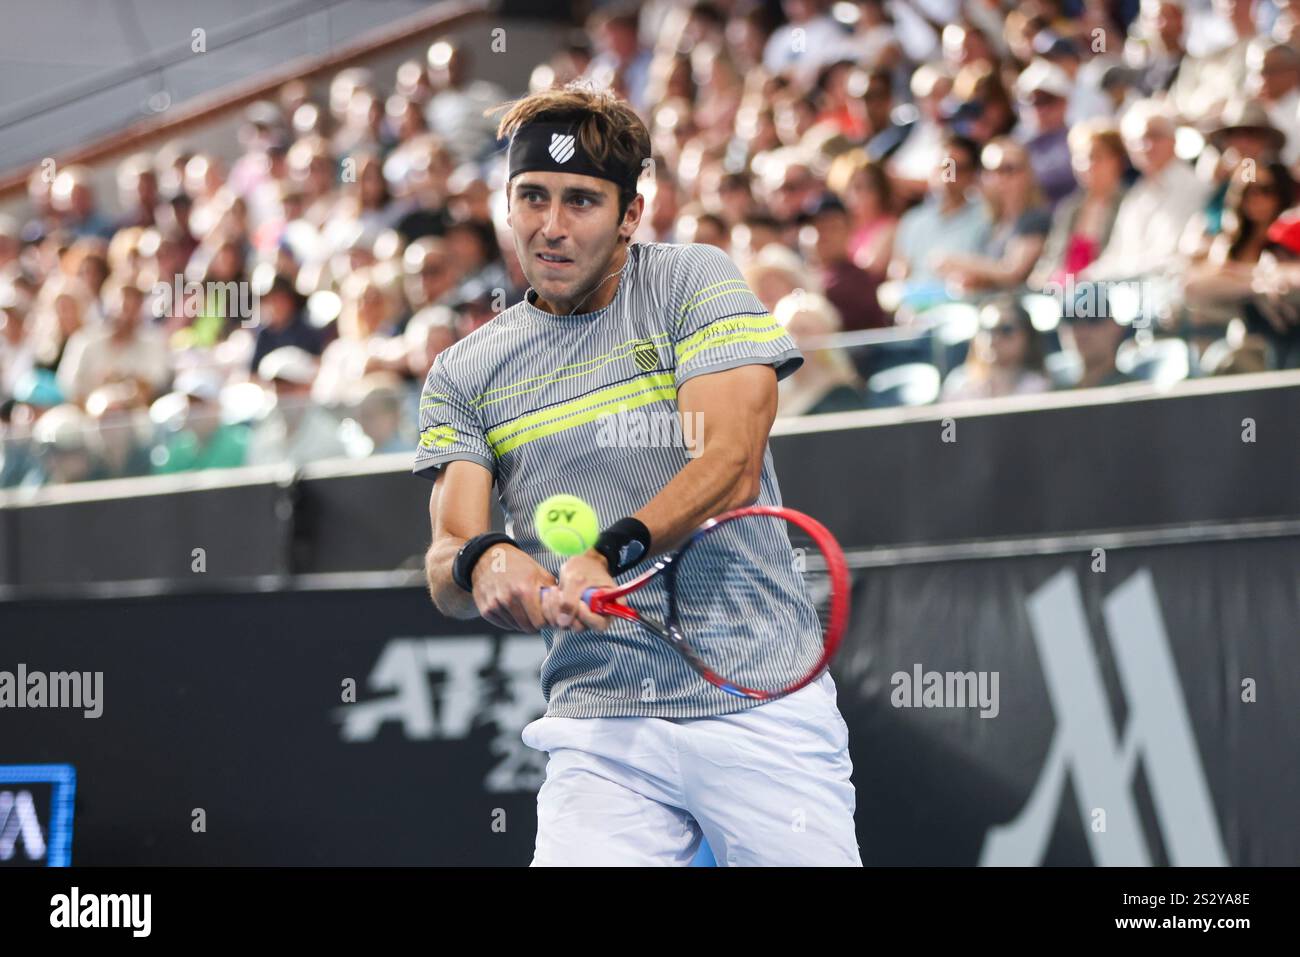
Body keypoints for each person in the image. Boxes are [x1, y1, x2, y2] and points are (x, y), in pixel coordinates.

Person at [415, 84, 860, 867]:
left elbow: (729, 464)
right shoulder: (464, 371)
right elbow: (445, 558)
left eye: (582, 201)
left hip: (755, 695)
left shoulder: (695, 282)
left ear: (630, 213)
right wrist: (484, 560)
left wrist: (607, 552)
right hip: (600, 720)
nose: (551, 227)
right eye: (532, 198)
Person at [772, 291, 867, 415]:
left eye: (804, 330)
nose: (796, 339)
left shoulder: (841, 393)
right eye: (789, 331)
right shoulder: (772, 390)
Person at [940, 297, 1051, 401]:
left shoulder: (1039, 386)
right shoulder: (958, 386)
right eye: (985, 329)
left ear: (1027, 336)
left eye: (1005, 330)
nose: (992, 338)